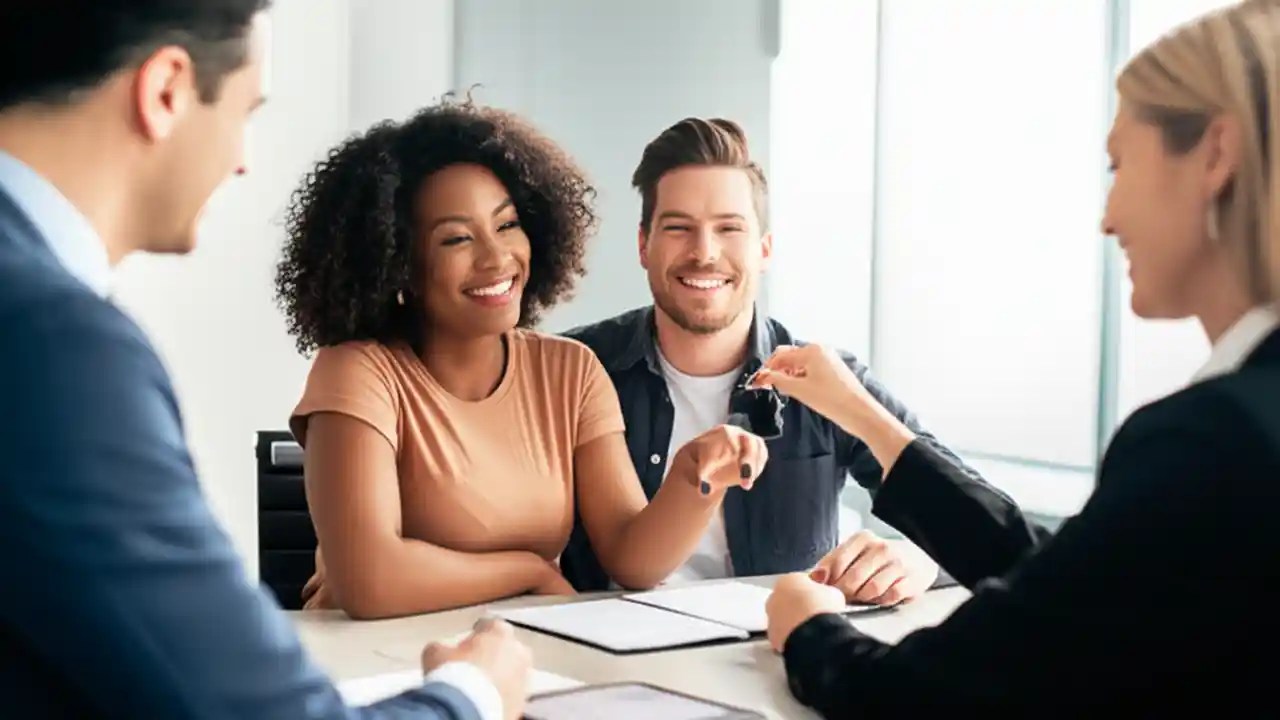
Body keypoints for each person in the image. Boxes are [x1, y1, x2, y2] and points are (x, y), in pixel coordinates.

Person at [0, 3, 534, 719]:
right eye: (245, 112)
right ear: (167, 91)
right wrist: (473, 692)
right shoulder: (54, 341)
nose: (242, 159)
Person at [762, 0, 1280, 714]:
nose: (1108, 215)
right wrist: (868, 419)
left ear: (1215, 156)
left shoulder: (1212, 442)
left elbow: (923, 698)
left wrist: (806, 628)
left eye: (1119, 165)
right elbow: (1077, 591)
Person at [274, 98, 768, 620]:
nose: (496, 258)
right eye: (457, 238)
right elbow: (369, 582)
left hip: (514, 656)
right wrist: (528, 571)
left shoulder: (570, 371)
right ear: (399, 264)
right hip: (371, 668)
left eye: (507, 226)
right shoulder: (357, 372)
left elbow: (631, 557)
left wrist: (693, 479)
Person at [560, 117, 961, 603]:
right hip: (601, 652)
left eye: (729, 229)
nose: (704, 252)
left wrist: (920, 560)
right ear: (644, 245)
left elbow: (967, 513)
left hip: (770, 653)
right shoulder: (574, 368)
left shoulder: (825, 380)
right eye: (679, 228)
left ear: (764, 249)